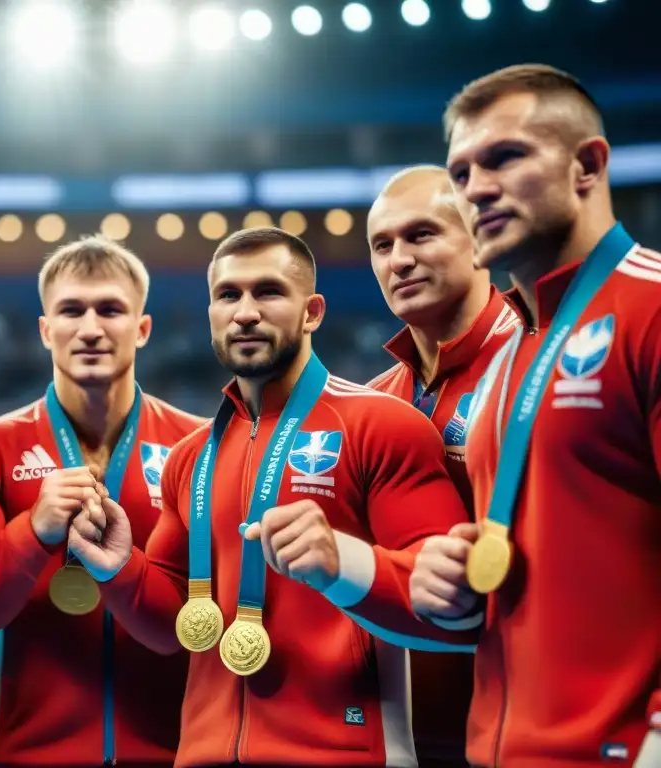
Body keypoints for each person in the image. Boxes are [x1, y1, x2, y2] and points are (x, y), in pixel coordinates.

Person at [65, 227, 480, 768]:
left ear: (312, 312)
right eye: (228, 295)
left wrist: (346, 566)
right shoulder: (191, 456)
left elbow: (452, 609)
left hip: (346, 752)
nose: (244, 313)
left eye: (268, 292)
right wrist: (119, 568)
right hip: (206, 754)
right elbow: (173, 628)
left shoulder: (382, 426)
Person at [410, 64, 661, 768]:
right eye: (460, 174)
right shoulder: (508, 362)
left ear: (588, 165)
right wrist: (451, 587)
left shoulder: (653, 311)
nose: (476, 188)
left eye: (505, 157)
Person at [0, 236, 203, 767]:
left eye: (110, 309)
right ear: (45, 330)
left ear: (143, 328)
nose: (90, 329)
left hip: (174, 756)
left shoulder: (195, 448)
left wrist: (122, 571)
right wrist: (33, 533)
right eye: (71, 310)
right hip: (30, 756)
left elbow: (195, 619)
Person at [365, 166, 519, 768]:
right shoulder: (372, 401)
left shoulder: (543, 368)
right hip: (400, 733)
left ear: (479, 239)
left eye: (422, 235)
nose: (399, 259)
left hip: (528, 723)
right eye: (383, 245)